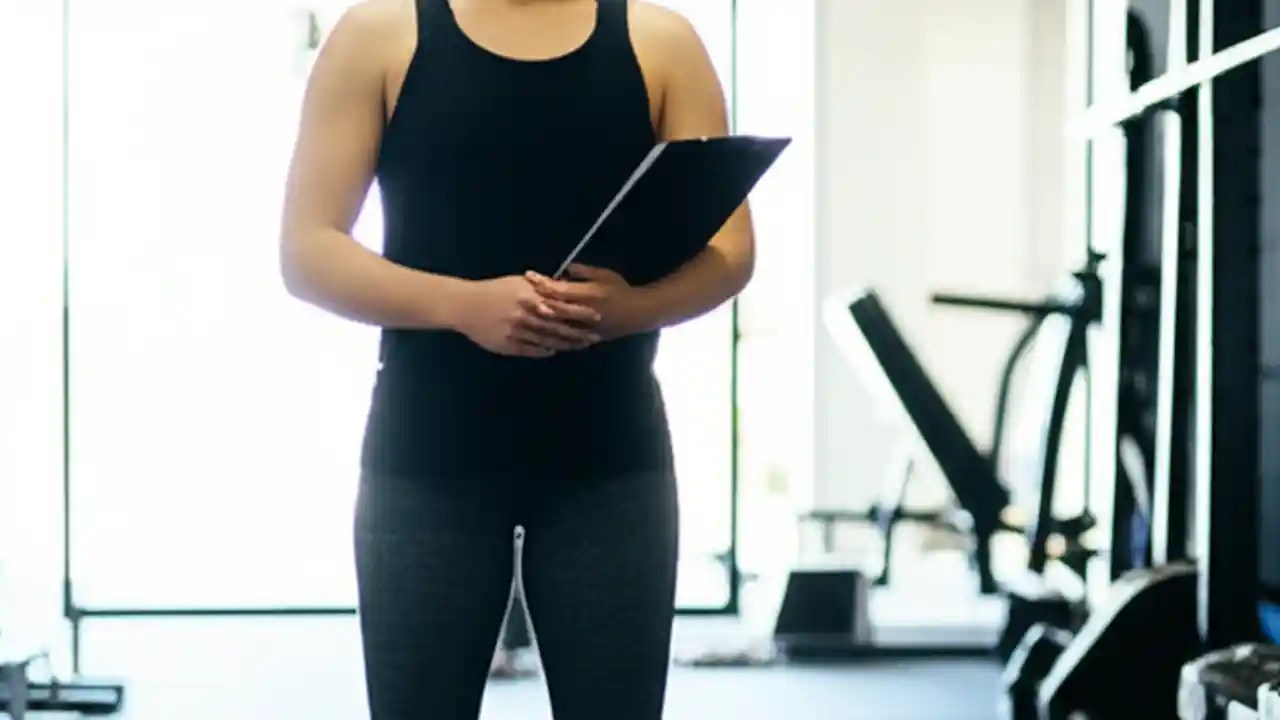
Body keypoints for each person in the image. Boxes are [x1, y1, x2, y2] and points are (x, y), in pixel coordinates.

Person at [279, 0, 755, 717]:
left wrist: (629, 310)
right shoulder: (380, 34)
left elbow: (730, 252)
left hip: (610, 456)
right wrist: (463, 306)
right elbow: (308, 251)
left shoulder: (662, 41)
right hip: (428, 455)